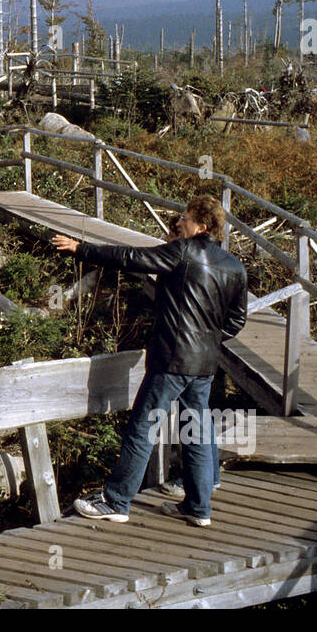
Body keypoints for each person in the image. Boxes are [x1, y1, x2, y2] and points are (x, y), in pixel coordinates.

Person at [50, 194, 247, 527]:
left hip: (171, 361)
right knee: (196, 432)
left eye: (184, 217)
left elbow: (131, 257)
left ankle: (116, 500)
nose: (179, 222)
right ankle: (199, 509)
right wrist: (209, 340)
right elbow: (237, 320)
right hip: (204, 366)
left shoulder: (183, 252)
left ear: (200, 224)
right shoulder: (234, 265)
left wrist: (81, 248)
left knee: (142, 428)